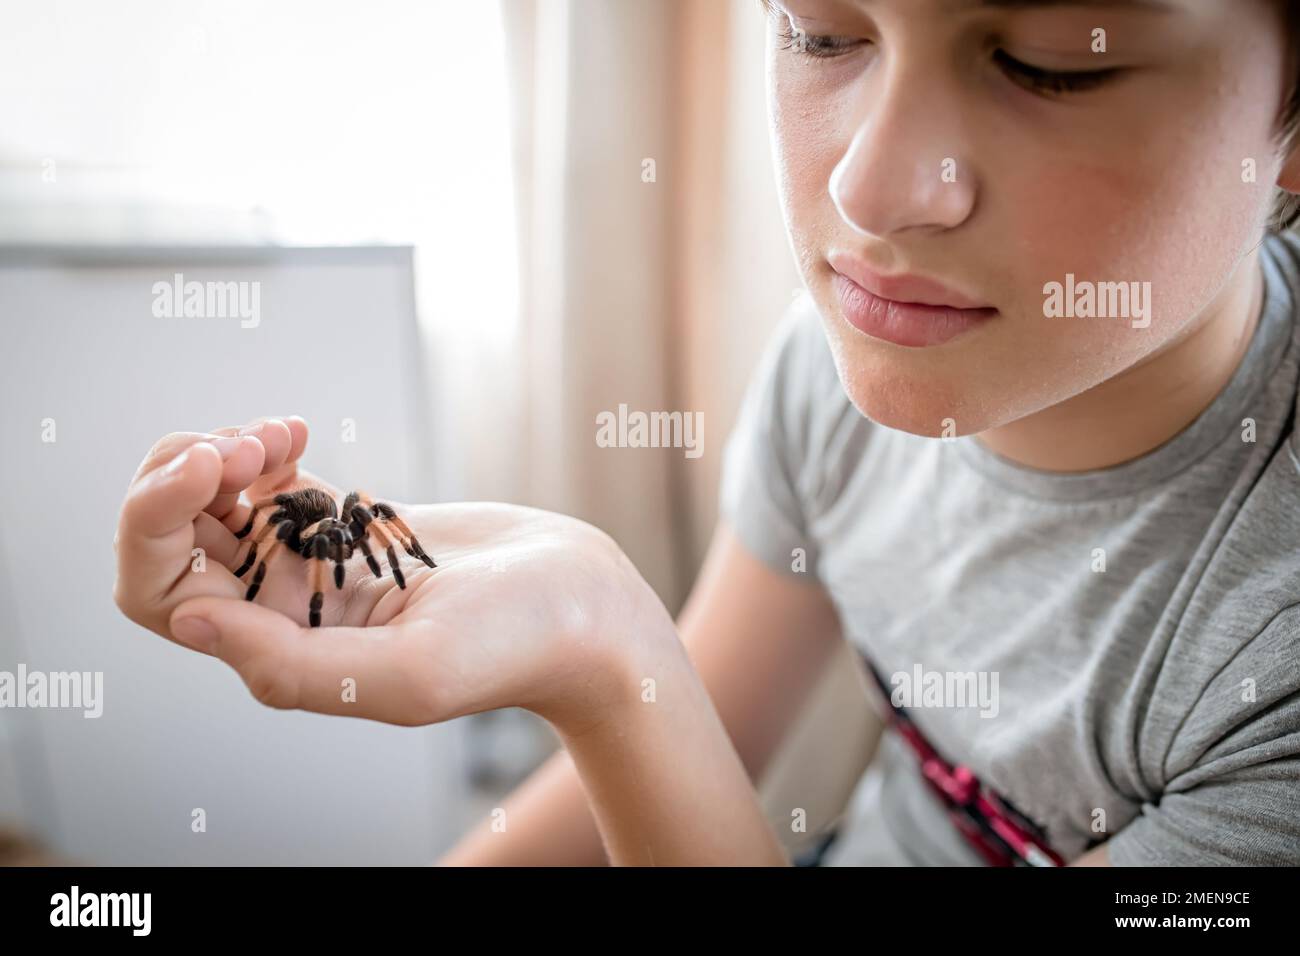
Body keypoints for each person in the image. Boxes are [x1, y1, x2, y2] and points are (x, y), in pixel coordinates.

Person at [114, 0, 1300, 866]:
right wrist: (611, 652)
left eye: (1050, 66)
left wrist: (603, 662)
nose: (872, 191)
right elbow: (710, 719)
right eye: (821, 33)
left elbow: (653, 698)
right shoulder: (839, 368)